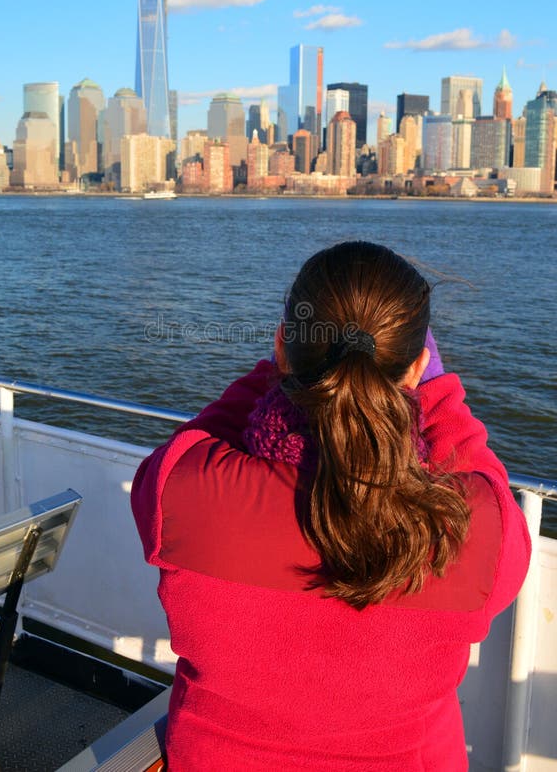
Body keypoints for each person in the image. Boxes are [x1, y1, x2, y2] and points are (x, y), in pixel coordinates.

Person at [131, 241, 531, 771]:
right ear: (415, 370)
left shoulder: (178, 494)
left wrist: (278, 367)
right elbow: (484, 479)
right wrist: (436, 390)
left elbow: (196, 439)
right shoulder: (479, 529)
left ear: (282, 348)